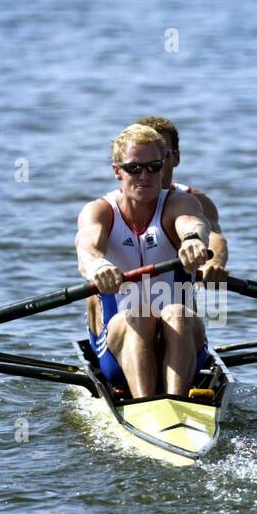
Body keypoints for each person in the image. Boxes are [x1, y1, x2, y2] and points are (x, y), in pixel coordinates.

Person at [75, 124, 212, 398]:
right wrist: (99, 266)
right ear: (117, 171)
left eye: (153, 167)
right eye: (134, 169)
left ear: (163, 168)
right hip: (118, 347)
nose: (145, 176)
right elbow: (87, 249)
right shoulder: (100, 211)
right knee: (138, 313)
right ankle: (147, 405)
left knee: (177, 311)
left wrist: (193, 241)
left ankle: (177, 402)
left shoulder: (179, 203)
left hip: (182, 338)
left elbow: (193, 224)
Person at [134, 115, 228, 283]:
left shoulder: (196, 201)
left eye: (161, 155)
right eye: (143, 158)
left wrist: (212, 263)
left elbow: (213, 236)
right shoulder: (109, 207)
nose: (151, 167)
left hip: (175, 300)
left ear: (176, 157)